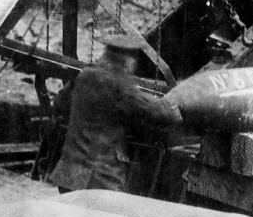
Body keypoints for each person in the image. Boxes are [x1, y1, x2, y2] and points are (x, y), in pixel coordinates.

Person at [48, 34, 182, 193]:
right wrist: (176, 102)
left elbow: (60, 103)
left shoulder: (85, 75)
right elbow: (162, 113)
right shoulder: (121, 85)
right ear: (127, 60)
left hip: (69, 173)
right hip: (100, 179)